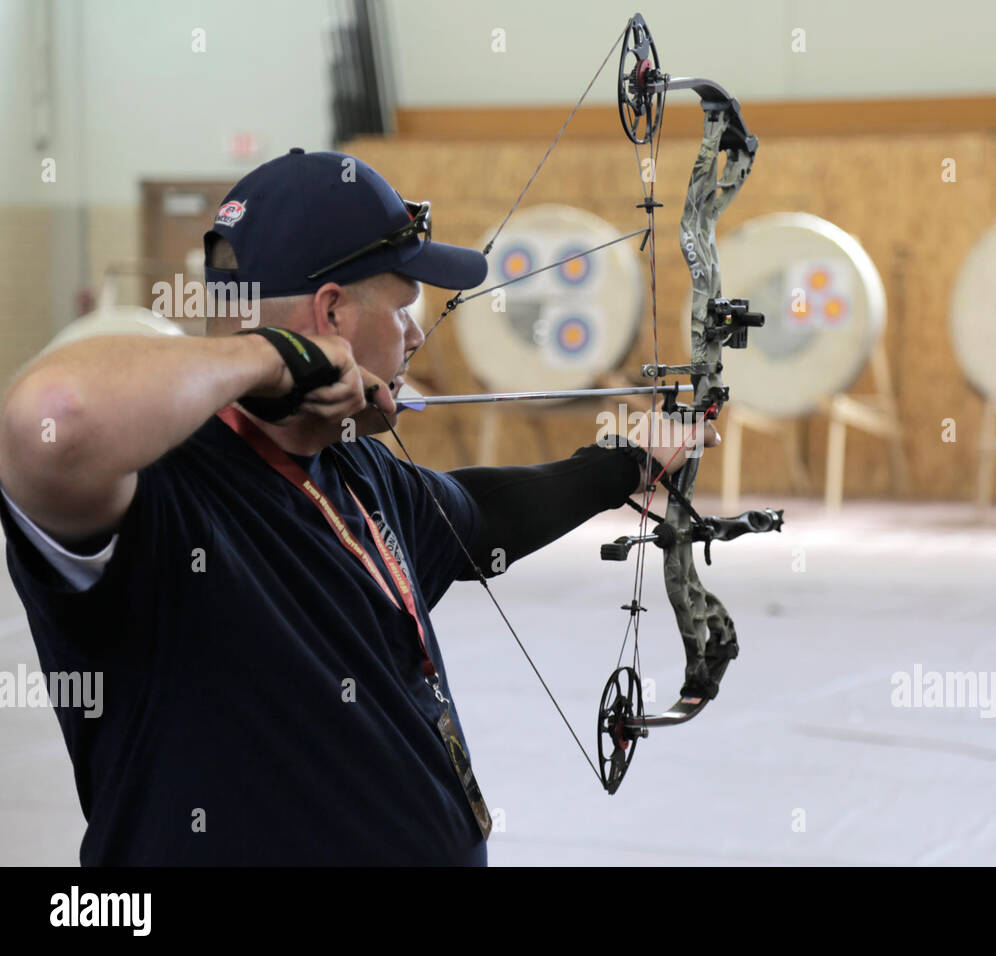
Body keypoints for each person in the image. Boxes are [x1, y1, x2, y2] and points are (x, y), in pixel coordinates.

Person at [0, 148, 715, 865]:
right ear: (331, 313)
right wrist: (272, 358)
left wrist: (627, 461)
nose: (415, 335)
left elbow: (481, 517)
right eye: (403, 308)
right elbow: (50, 415)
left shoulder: (356, 470)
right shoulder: (161, 494)